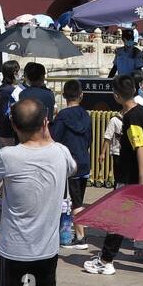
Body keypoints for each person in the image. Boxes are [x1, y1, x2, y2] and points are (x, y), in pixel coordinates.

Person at [0, 97, 79, 286]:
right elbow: (72, 168)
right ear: (45, 122)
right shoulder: (60, 152)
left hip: (13, 252)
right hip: (45, 251)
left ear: (14, 126)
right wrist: (50, 138)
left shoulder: (7, 156)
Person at [84, 74, 143, 276]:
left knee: (118, 218)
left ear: (116, 95)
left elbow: (140, 146)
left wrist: (142, 177)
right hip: (142, 173)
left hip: (133, 176)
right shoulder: (141, 111)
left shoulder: (132, 117)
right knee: (141, 218)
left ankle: (106, 260)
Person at [51, 78, 92, 248]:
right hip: (83, 161)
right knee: (78, 199)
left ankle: (80, 237)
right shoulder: (86, 115)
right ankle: (77, 233)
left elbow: (54, 139)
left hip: (69, 164)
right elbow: (89, 139)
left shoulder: (62, 116)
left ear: (64, 95)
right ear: (81, 95)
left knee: (73, 202)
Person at [0, 60, 22, 150]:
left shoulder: (3, 87)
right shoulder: (10, 90)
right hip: (8, 131)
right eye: (19, 71)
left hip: (2, 129)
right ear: (14, 73)